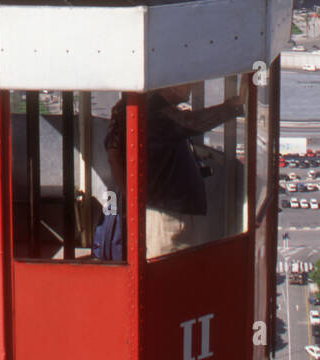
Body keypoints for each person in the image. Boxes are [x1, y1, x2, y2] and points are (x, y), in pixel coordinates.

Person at [104, 82, 245, 256]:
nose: (191, 86)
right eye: (186, 82)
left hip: (162, 209)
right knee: (167, 267)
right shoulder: (155, 112)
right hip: (167, 215)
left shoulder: (140, 107)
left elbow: (114, 152)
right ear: (169, 86)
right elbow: (191, 122)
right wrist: (232, 107)